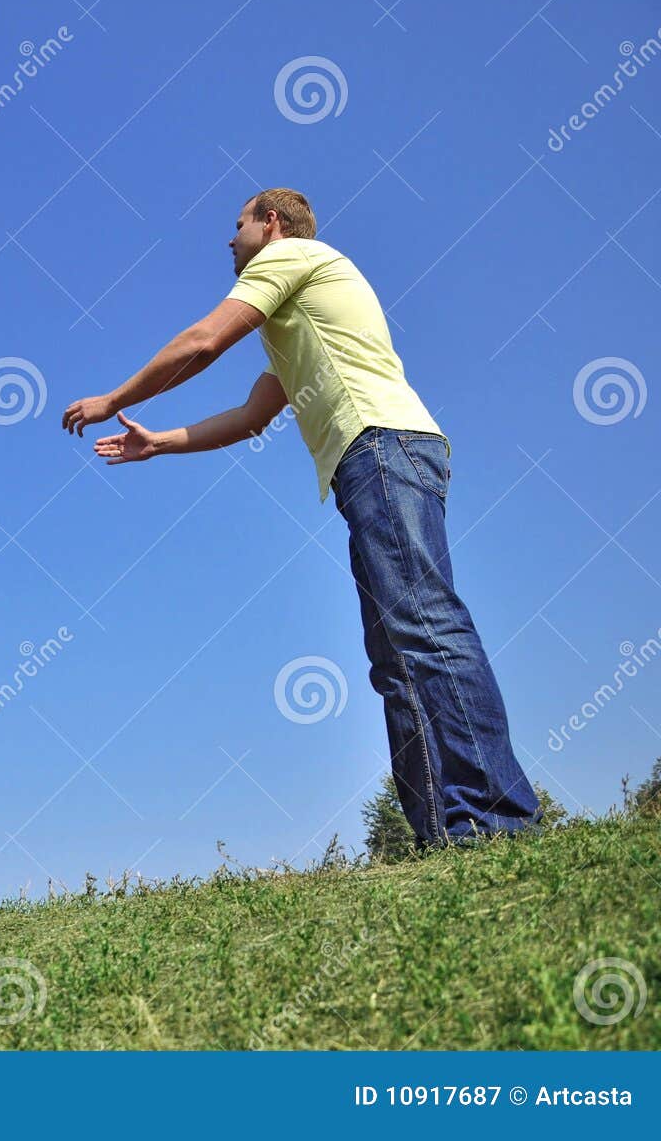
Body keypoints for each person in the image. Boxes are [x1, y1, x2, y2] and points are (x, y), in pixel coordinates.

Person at [61, 188, 540, 848]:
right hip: (374, 456)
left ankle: (495, 821)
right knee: (395, 658)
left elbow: (203, 341)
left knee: (424, 624)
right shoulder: (297, 313)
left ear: (272, 224)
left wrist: (112, 396)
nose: (229, 241)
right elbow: (253, 416)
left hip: (382, 445)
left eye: (238, 226)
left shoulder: (292, 258)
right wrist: (159, 440)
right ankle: (443, 838)